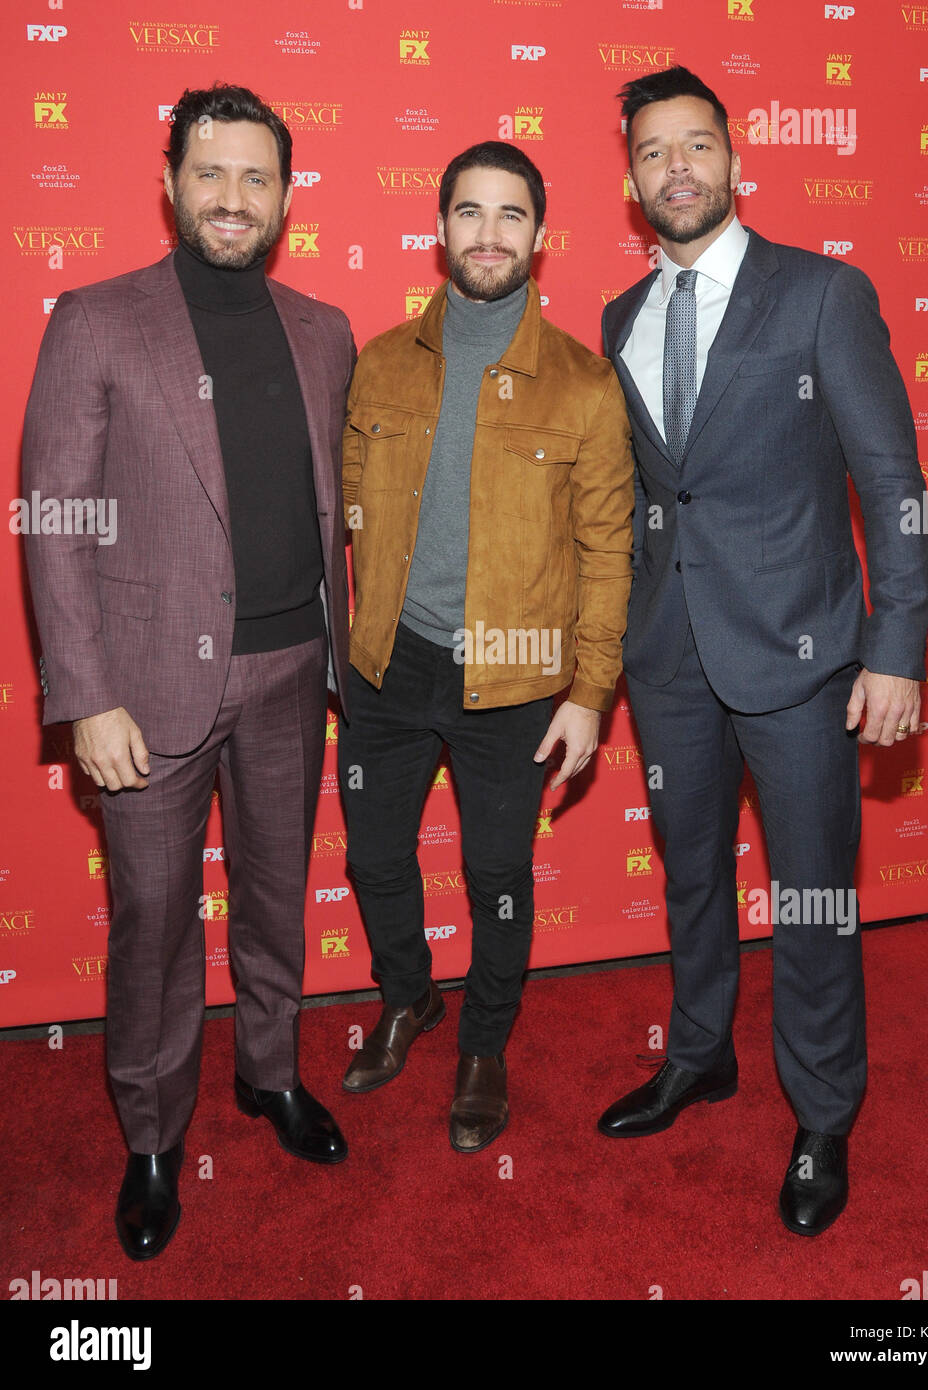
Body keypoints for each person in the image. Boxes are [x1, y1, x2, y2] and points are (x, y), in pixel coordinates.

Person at [22, 84, 355, 1260]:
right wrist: (83, 693)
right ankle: (154, 1139)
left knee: (273, 896)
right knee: (154, 924)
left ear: (283, 196)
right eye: (209, 174)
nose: (231, 197)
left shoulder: (324, 330)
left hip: (289, 672)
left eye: (255, 177)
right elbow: (52, 518)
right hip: (145, 689)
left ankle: (269, 1075)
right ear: (169, 185)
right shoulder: (98, 319)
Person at [596, 67, 928, 1235]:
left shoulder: (822, 295)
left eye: (696, 145)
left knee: (814, 895)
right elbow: (654, 491)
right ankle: (699, 1055)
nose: (675, 167)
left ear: (735, 161)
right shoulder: (619, 318)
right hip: (669, 657)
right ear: (632, 182)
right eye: (651, 151)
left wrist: (895, 650)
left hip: (800, 657)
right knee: (692, 873)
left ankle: (824, 1111)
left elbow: (889, 482)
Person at [338, 142, 634, 1152]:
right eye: (470, 212)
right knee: (375, 856)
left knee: (498, 870)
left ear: (538, 238)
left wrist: (592, 691)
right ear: (441, 228)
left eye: (510, 215)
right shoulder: (377, 362)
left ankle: (484, 1043)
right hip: (386, 664)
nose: (489, 233)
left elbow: (607, 549)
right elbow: (340, 512)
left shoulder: (586, 386)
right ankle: (408, 997)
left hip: (510, 675)